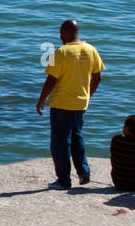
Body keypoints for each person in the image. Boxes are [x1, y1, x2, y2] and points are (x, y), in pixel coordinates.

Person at [36, 19, 105, 187]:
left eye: (61, 32)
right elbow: (97, 76)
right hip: (80, 104)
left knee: (60, 143)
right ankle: (83, 172)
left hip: (61, 104)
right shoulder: (91, 50)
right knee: (77, 137)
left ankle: (64, 180)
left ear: (65, 32)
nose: (60, 36)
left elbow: (52, 79)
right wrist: (88, 94)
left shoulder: (62, 52)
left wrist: (42, 98)